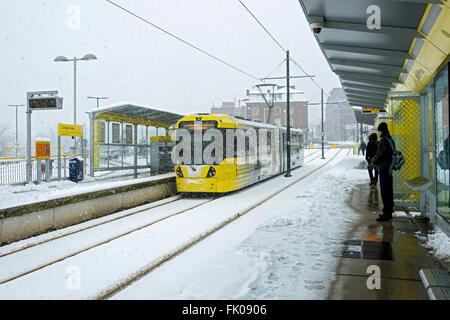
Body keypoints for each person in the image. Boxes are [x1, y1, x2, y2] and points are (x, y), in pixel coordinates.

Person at [371, 122, 394, 222]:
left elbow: (381, 155)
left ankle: (386, 213)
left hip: (384, 168)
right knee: (389, 190)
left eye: (379, 131)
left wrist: (374, 161)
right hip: (388, 168)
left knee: (385, 191)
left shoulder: (384, 141)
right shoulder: (390, 139)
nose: (379, 133)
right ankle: (388, 211)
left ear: (381, 131)